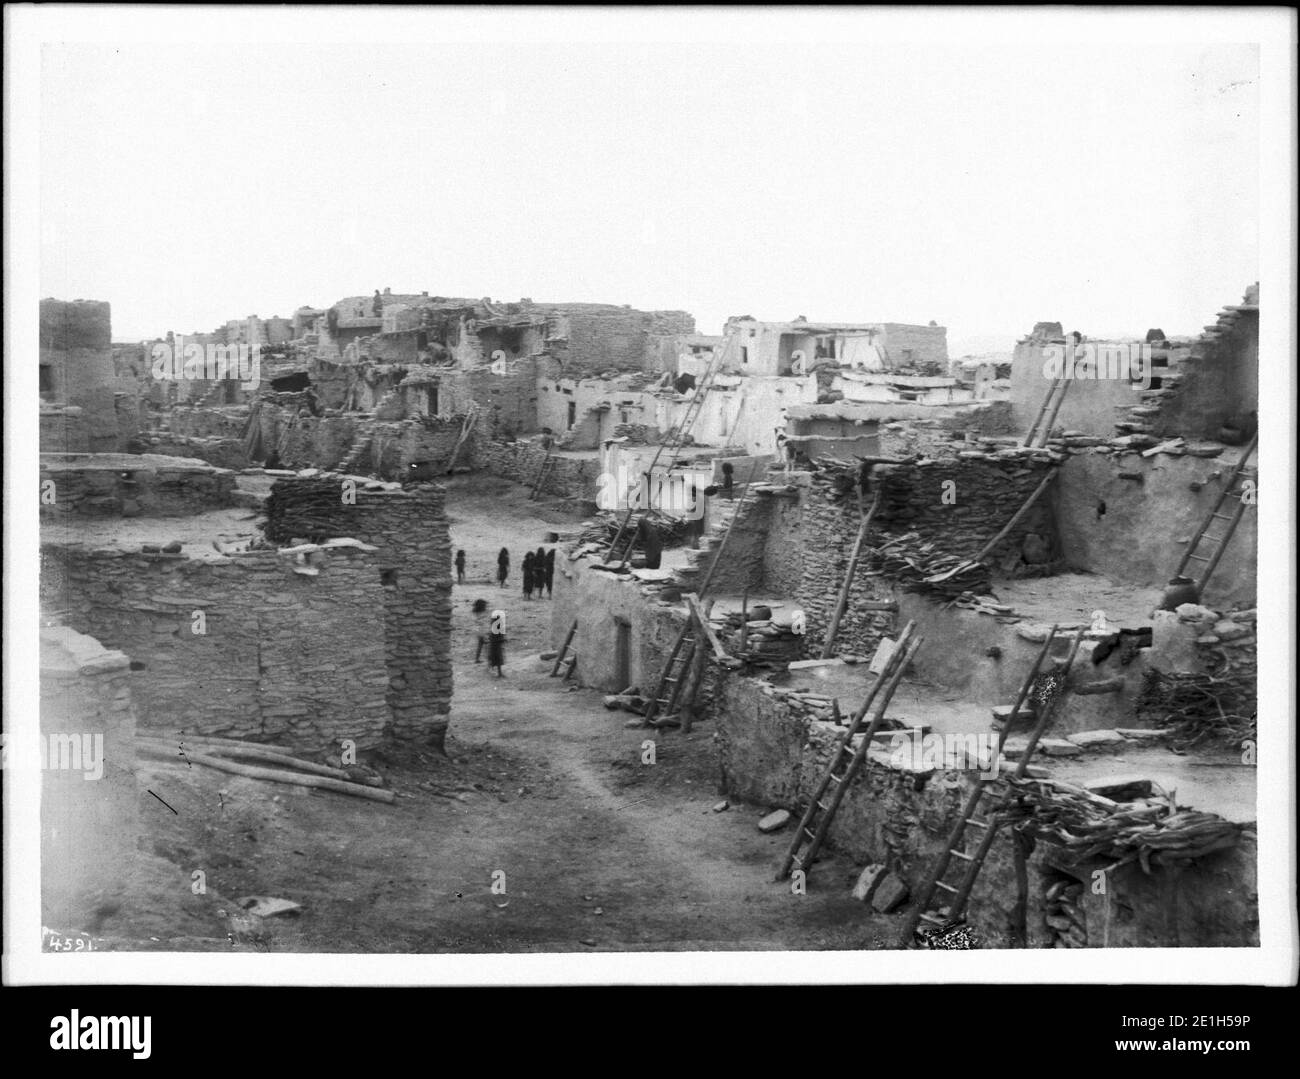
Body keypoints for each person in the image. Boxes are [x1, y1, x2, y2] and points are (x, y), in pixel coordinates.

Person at [486, 610, 506, 677]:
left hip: (494, 643)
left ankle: (494, 670)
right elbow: (500, 634)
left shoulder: (494, 624)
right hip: (497, 643)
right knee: (498, 658)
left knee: (494, 658)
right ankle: (499, 673)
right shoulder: (499, 624)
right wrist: (502, 639)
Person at [472, 599, 489, 663]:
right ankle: (489, 659)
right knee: (486, 645)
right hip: (482, 630)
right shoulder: (482, 613)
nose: (486, 606)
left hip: (478, 630)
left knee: (480, 645)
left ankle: (477, 659)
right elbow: (483, 622)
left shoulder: (475, 612)